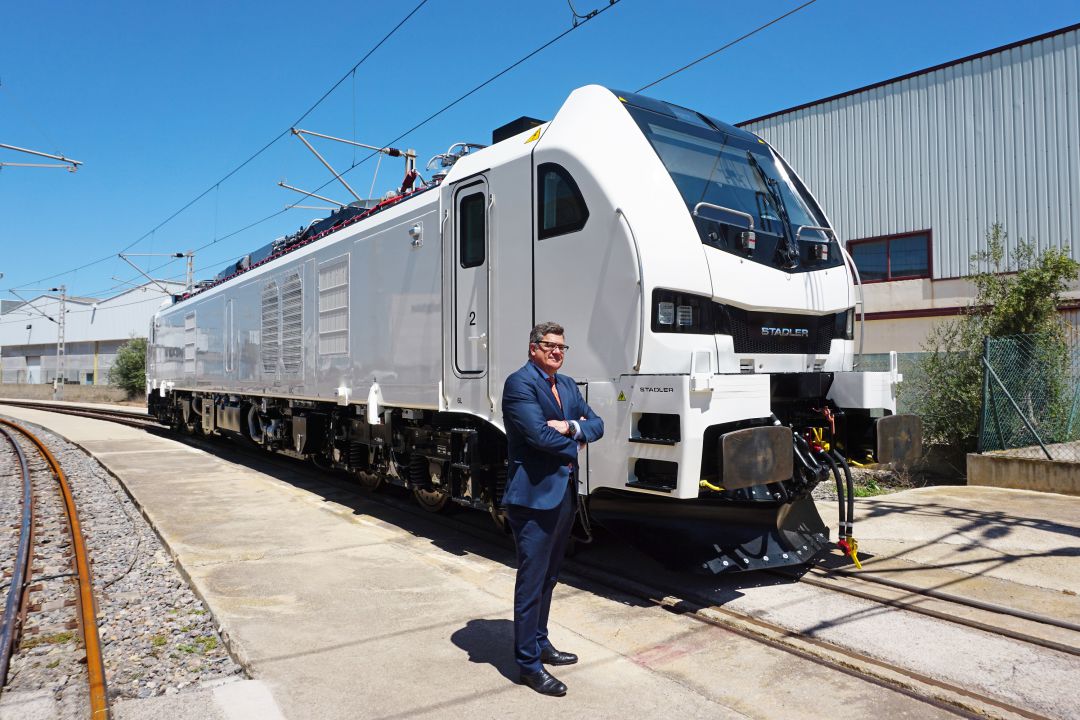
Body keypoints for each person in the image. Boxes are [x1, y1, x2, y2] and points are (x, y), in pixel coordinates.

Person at [501, 321, 604, 696]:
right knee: (531, 580)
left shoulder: (567, 385)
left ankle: (540, 642)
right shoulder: (519, 384)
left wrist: (571, 427)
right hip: (531, 499)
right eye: (549, 345)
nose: (557, 351)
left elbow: (597, 424)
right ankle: (528, 664)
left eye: (561, 346)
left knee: (549, 576)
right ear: (533, 349)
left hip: (562, 495)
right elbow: (536, 435)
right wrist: (572, 441)